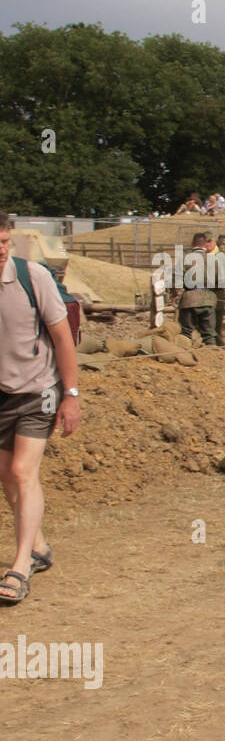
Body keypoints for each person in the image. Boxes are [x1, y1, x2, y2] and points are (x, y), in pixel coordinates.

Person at [0, 210, 81, 605]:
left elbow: (63, 338)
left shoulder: (34, 277)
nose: (1, 251)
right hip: (2, 394)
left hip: (39, 391)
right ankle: (40, 546)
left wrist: (71, 395)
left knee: (21, 470)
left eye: (4, 242)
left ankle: (19, 566)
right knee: (7, 476)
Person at [175, 231, 219, 345]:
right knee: (209, 334)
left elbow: (177, 281)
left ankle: (185, 354)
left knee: (185, 333)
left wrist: (175, 295)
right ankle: (213, 357)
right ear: (205, 245)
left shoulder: (185, 259)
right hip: (209, 299)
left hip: (190, 299)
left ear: (192, 243)